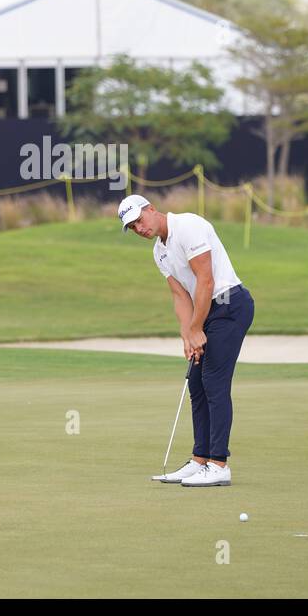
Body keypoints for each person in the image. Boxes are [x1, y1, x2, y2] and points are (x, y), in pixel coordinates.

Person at [119, 194, 255, 488]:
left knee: (213, 381)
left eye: (140, 220)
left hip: (230, 305)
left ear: (152, 210)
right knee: (196, 382)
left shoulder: (188, 226)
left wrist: (196, 328)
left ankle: (219, 464)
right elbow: (180, 296)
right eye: (132, 227)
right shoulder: (159, 252)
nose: (139, 229)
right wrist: (187, 333)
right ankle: (200, 460)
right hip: (205, 313)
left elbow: (205, 280)